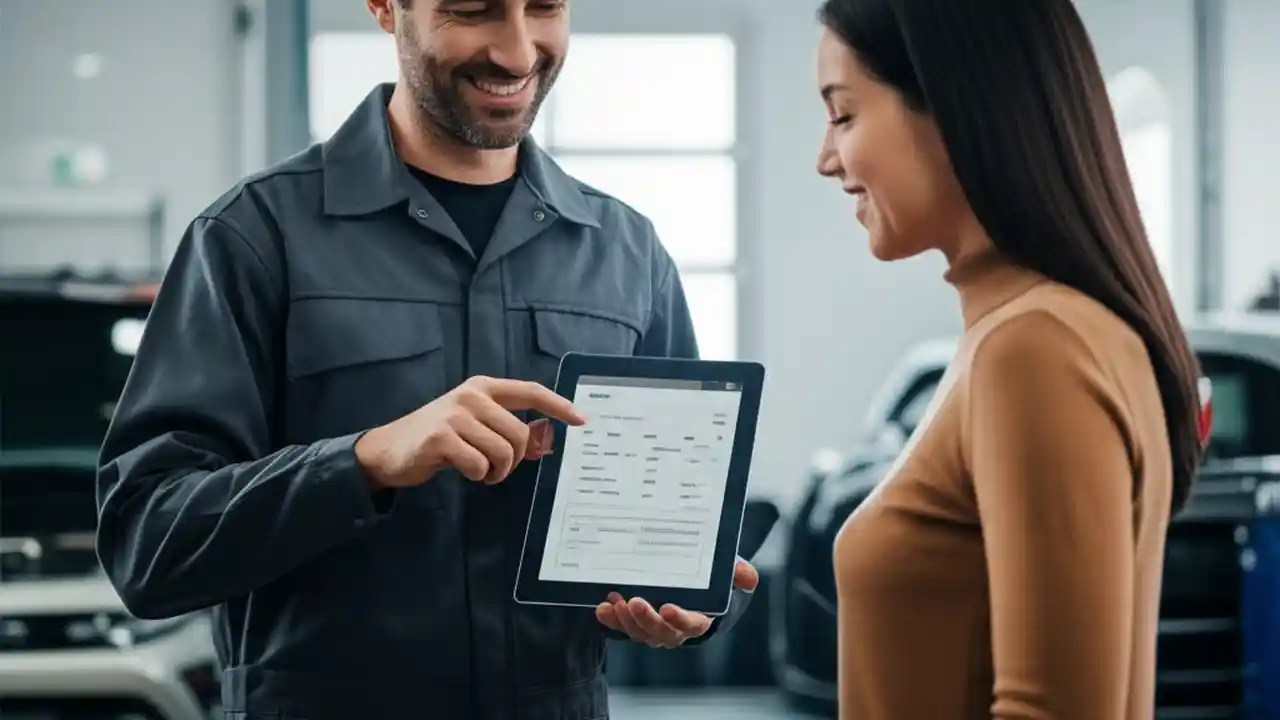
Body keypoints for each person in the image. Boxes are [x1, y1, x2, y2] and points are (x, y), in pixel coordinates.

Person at [93, 1, 757, 718]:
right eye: (472, 10)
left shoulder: (628, 252)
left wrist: (693, 606)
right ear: (385, 8)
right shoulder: (253, 239)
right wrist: (365, 460)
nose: (516, 51)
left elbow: (684, 531)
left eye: (545, 7)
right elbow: (148, 544)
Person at [813, 1, 1204, 718]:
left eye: (844, 116)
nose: (826, 159)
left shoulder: (1034, 346)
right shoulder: (1025, 331)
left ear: (956, 108)